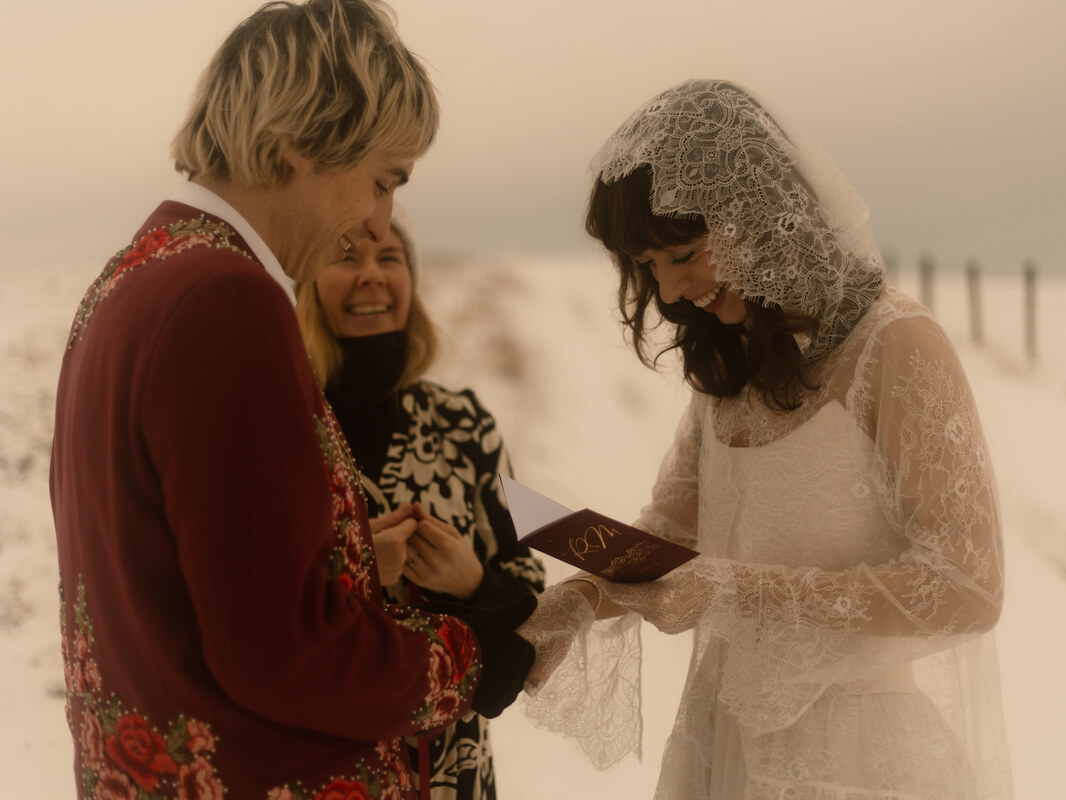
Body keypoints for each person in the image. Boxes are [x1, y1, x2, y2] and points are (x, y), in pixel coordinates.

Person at [49, 2, 533, 797]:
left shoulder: (127, 279)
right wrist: (472, 659)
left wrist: (340, 565)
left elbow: (170, 577)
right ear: (302, 142)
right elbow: (282, 654)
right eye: (382, 181)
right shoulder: (226, 300)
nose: (376, 222)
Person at [518, 79, 1013, 799]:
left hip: (857, 763)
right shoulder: (732, 358)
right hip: (721, 748)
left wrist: (733, 588)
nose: (670, 292)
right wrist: (577, 600)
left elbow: (969, 586)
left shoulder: (897, 346)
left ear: (760, 213)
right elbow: (672, 530)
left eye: (683, 252)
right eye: (648, 266)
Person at [294, 207, 546, 799]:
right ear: (307, 286)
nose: (373, 275)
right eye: (346, 257)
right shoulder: (287, 429)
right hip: (326, 763)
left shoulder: (466, 424)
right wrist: (360, 573)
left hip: (451, 772)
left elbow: (533, 586)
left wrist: (474, 583)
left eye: (390, 258)